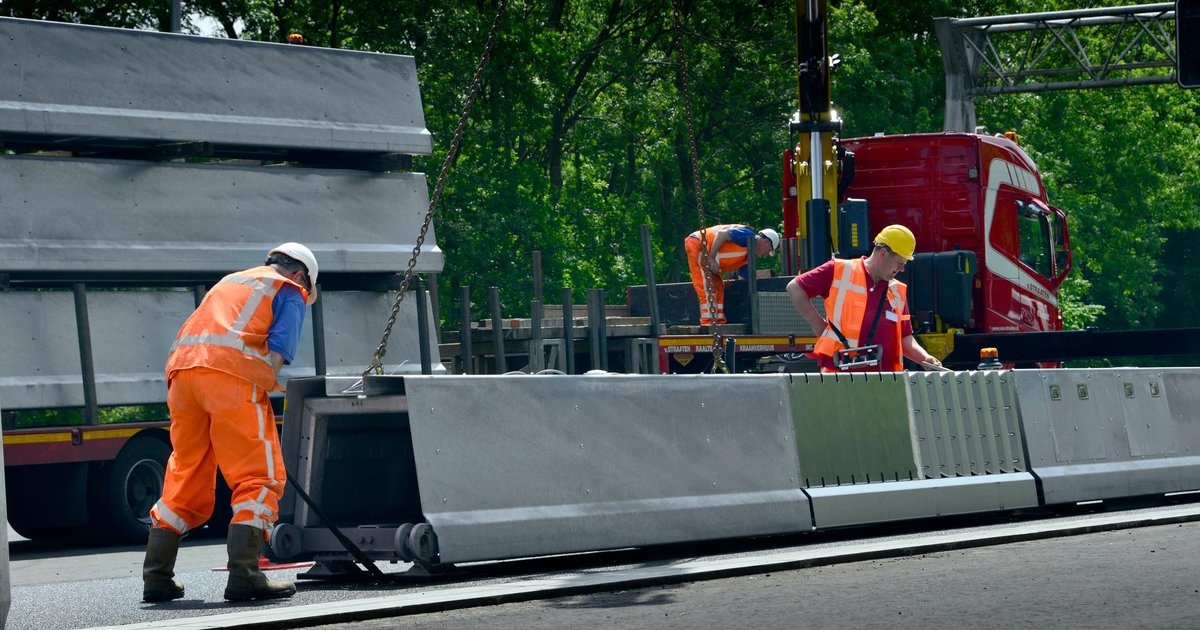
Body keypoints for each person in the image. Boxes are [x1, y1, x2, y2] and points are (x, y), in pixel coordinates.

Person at [141, 242, 318, 603]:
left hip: (181, 376)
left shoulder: (231, 281)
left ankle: (156, 576)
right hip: (229, 378)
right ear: (301, 275)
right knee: (259, 476)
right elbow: (278, 352)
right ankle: (245, 575)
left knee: (186, 472)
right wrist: (259, 392)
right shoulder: (290, 289)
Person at [786, 225, 942, 372]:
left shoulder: (897, 290)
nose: (902, 269)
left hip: (885, 383)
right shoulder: (839, 270)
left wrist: (925, 358)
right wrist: (818, 324)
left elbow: (904, 337)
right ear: (883, 253)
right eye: (900, 263)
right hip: (840, 378)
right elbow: (795, 287)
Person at [685, 224, 780, 325]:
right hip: (698, 243)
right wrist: (711, 258)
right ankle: (708, 323)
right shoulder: (748, 235)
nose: (765, 255)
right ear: (766, 242)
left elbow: (746, 278)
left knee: (718, 286)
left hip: (706, 254)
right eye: (769, 251)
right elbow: (722, 234)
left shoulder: (747, 257)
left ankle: (719, 321)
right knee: (706, 286)